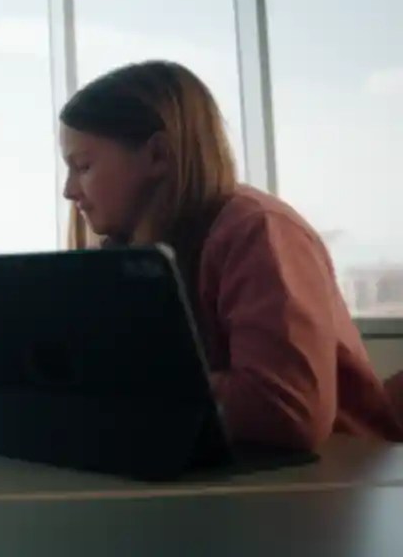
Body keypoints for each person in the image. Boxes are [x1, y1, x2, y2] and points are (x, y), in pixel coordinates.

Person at [59, 59, 403, 450]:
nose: (69, 190)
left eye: (82, 166)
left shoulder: (258, 230)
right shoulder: (129, 254)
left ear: (157, 156)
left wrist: (127, 384)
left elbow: (284, 408)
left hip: (331, 482)